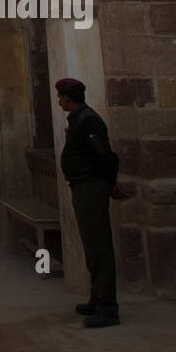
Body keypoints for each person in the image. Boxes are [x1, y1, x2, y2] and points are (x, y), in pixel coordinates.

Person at [55, 77, 124, 329]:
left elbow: (106, 156)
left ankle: (108, 308)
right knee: (92, 245)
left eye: (61, 97)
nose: (58, 100)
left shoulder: (88, 120)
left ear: (68, 98)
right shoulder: (79, 119)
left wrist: (110, 184)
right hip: (84, 188)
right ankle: (97, 299)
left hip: (91, 190)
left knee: (99, 248)